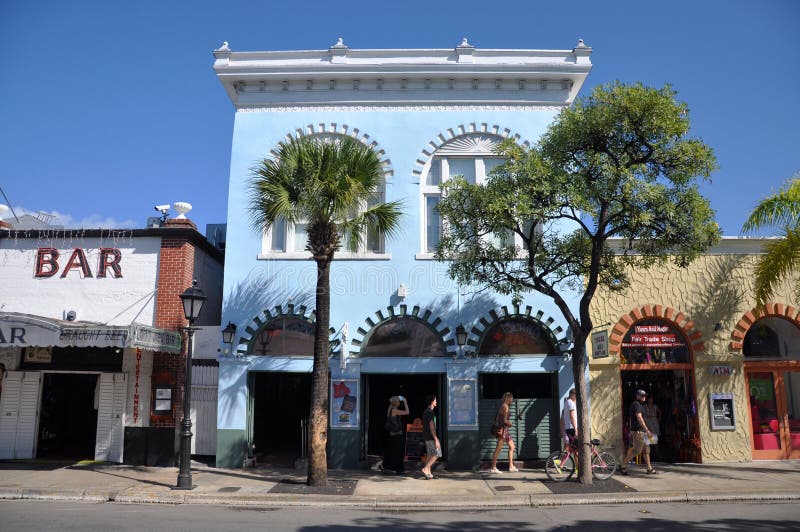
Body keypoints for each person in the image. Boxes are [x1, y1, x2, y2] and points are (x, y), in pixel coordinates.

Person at [620, 389, 658, 475]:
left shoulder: (640, 405)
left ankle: (649, 468)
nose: (644, 397)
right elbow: (639, 417)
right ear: (637, 396)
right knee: (636, 451)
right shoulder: (636, 404)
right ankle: (623, 465)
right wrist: (647, 430)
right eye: (642, 395)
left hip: (642, 432)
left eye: (644, 396)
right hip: (638, 432)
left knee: (646, 450)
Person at [489, 392, 518, 473]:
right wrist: (510, 424)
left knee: (512, 446)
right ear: (508, 398)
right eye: (511, 398)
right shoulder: (505, 406)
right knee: (498, 449)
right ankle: (493, 468)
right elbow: (505, 420)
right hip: (501, 430)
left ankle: (511, 466)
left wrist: (507, 424)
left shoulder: (504, 406)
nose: (512, 400)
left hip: (505, 430)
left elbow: (501, 418)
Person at [381, 395, 409, 474]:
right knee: (397, 452)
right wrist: (405, 402)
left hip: (393, 434)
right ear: (396, 403)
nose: (400, 402)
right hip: (396, 434)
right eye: (398, 401)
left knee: (394, 451)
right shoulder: (394, 410)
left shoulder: (392, 409)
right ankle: (398, 469)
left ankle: (387, 466)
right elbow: (407, 412)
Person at [420, 394, 440, 479]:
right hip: (431, 436)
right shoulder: (430, 412)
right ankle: (426, 468)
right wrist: (436, 439)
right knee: (437, 453)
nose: (436, 402)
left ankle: (428, 472)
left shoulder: (425, 411)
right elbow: (432, 426)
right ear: (432, 402)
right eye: (435, 400)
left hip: (426, 436)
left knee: (429, 454)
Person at [643, 394, 661, 458]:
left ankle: (656, 454)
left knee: (654, 438)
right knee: (648, 439)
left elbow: (660, 412)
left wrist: (658, 419)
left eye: (652, 399)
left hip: (654, 422)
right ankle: (649, 455)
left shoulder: (655, 406)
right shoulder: (645, 406)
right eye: (649, 399)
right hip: (647, 422)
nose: (650, 400)